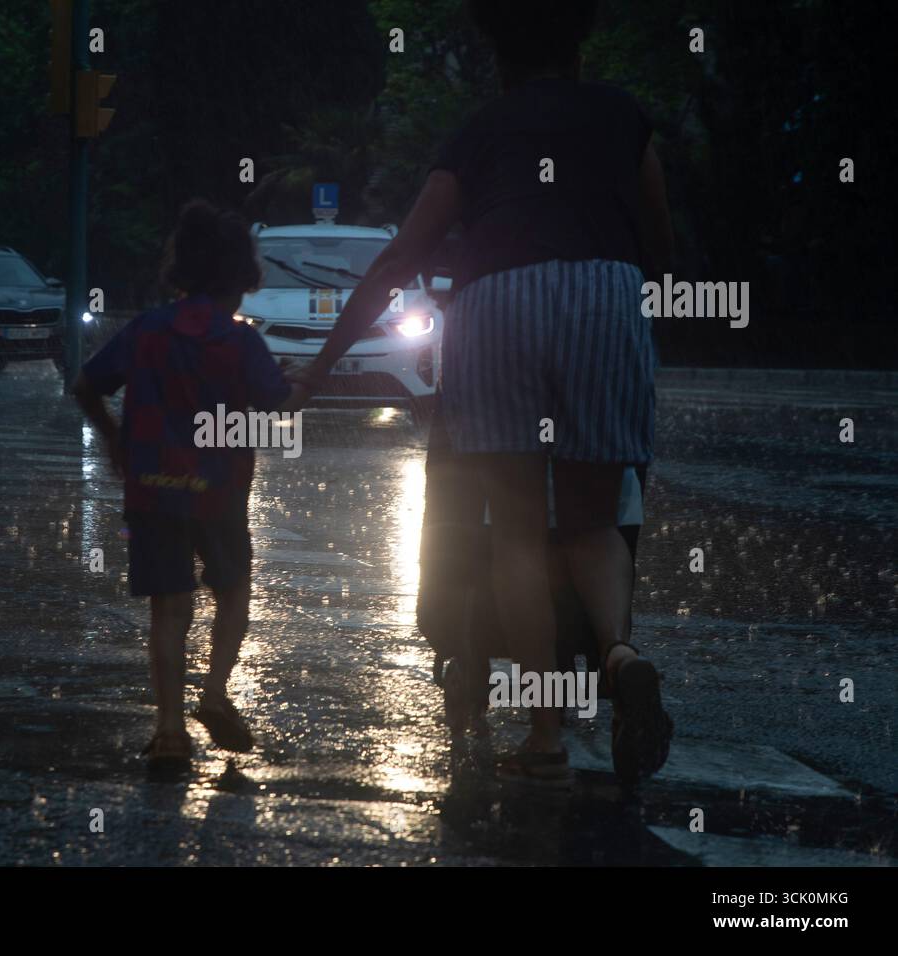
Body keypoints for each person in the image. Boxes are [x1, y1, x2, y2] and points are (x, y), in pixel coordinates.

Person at [292, 0, 675, 785]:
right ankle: (619, 652)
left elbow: (403, 254)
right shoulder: (624, 115)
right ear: (578, 46)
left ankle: (543, 733)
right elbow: (658, 240)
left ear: (500, 57)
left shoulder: (482, 128)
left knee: (517, 533)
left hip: (497, 302)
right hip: (606, 292)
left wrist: (322, 367)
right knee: (595, 518)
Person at [74, 200, 305, 769]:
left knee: (170, 610)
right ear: (242, 278)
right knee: (232, 592)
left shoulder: (147, 331)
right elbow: (277, 402)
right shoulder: (240, 341)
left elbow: (86, 385)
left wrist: (112, 439)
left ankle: (170, 727)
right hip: (220, 495)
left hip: (153, 490)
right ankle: (216, 692)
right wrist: (297, 383)